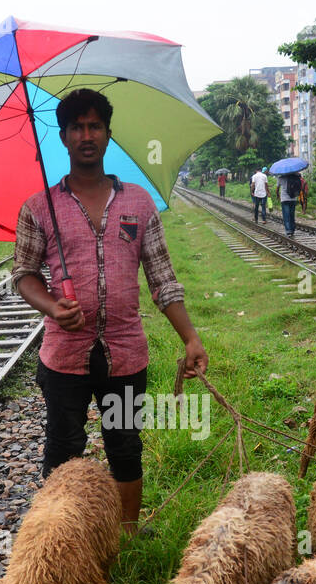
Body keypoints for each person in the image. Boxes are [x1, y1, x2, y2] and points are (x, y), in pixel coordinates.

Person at [12, 89, 208, 533]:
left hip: (124, 354)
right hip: (64, 356)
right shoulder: (40, 207)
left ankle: (127, 533)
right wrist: (51, 306)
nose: (87, 135)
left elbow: (162, 278)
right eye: (77, 127)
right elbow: (23, 274)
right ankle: (61, 538)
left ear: (107, 134)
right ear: (63, 137)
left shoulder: (138, 203)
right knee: (63, 448)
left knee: (124, 443)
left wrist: (190, 338)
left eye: (94, 126)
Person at [276, 171, 301, 235]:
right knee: (292, 214)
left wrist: (278, 196)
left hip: (284, 199)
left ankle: (288, 230)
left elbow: (277, 189)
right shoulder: (295, 176)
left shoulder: (280, 178)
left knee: (286, 215)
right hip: (293, 198)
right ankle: (292, 229)